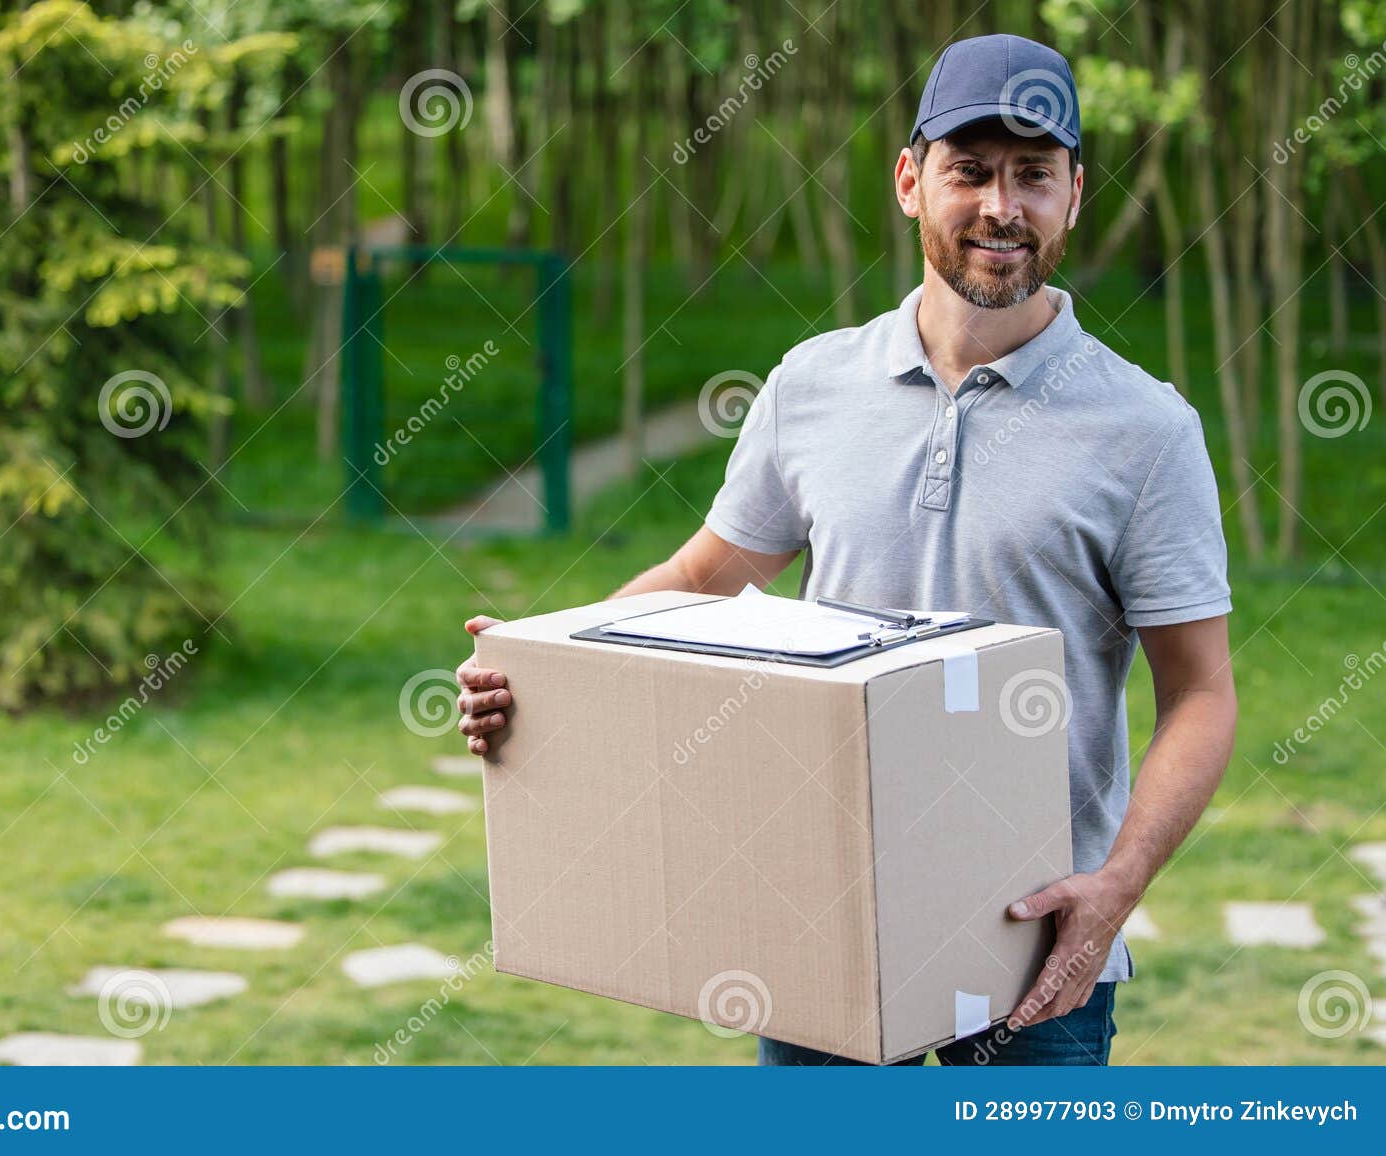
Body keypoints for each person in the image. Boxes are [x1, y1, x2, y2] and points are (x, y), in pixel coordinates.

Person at [455, 33, 1237, 1066]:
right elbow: (700, 580)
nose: (1001, 206)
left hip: (1031, 965)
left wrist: (1114, 892)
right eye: (970, 170)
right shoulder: (812, 384)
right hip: (817, 936)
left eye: (1033, 176)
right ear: (911, 181)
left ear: (1073, 196)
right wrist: (548, 667)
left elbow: (1200, 693)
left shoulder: (1145, 430)